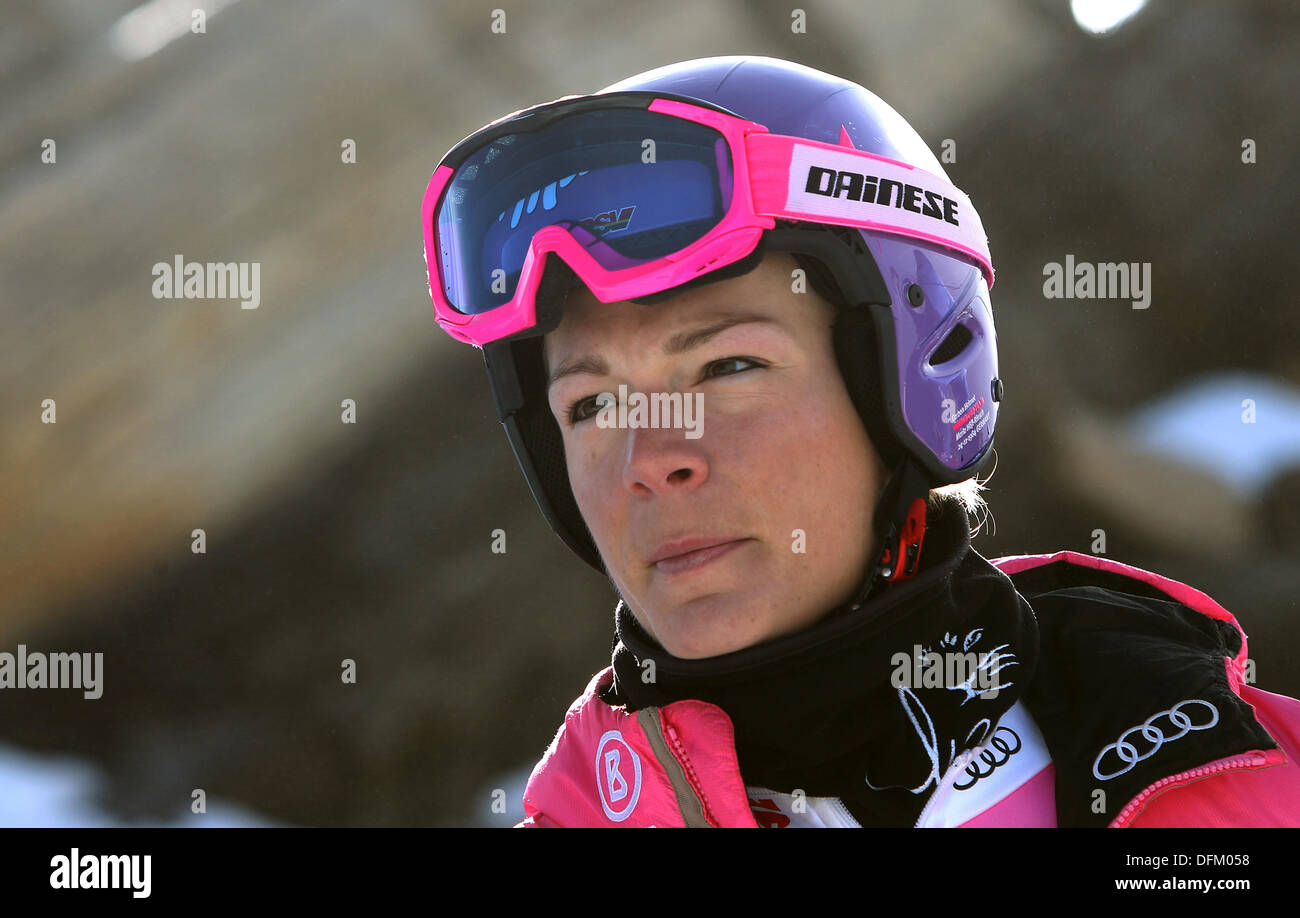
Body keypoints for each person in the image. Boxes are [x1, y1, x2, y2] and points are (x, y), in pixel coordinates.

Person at [421, 55, 1300, 826]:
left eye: (727, 369)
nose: (651, 461)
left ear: (915, 375)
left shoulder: (1251, 768)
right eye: (591, 408)